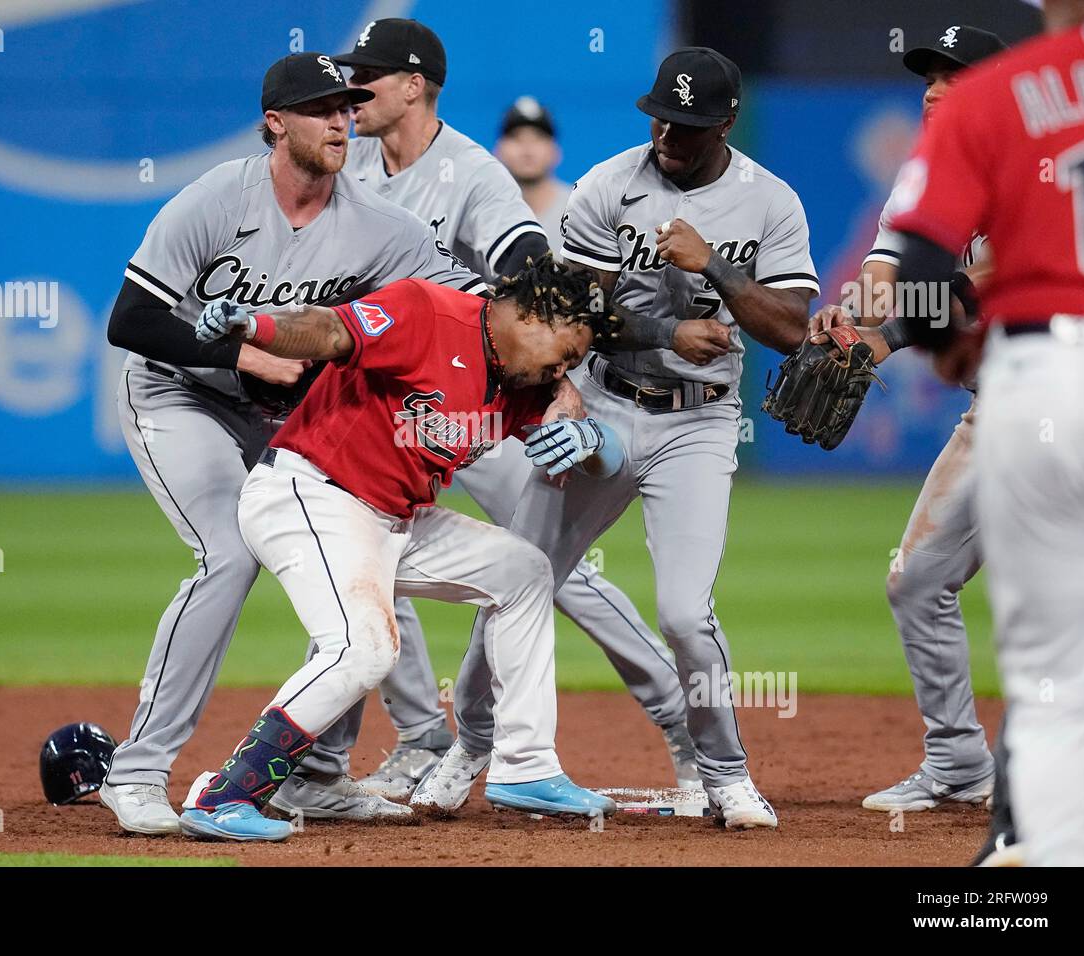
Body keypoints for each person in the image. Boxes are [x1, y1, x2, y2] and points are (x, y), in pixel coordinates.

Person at [287, 18, 695, 808]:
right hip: (384, 408)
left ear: (414, 85)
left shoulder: (469, 174)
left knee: (549, 571)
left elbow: (536, 277)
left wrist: (558, 387)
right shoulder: (348, 163)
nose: (349, 94)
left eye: (365, 78)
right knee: (357, 570)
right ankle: (375, 752)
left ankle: (679, 723)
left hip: (478, 405)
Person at [415, 47, 819, 830]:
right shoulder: (608, 185)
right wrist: (669, 325)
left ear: (726, 123)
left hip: (699, 422)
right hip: (600, 409)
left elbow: (795, 329)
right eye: (663, 114)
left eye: (691, 123)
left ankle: (725, 773)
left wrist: (720, 273)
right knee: (518, 575)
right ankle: (471, 747)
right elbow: (579, 315)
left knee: (683, 614)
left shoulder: (770, 202)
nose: (670, 131)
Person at [97, 51, 485, 835]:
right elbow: (131, 322)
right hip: (181, 395)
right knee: (230, 554)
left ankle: (312, 775)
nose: (341, 120)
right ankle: (135, 773)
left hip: (284, 416)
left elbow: (472, 302)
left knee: (360, 557)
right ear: (276, 121)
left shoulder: (377, 225)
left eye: (347, 107)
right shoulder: (217, 198)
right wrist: (247, 354)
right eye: (320, 108)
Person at [181, 257, 624, 842]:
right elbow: (330, 330)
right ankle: (224, 796)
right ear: (535, 315)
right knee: (365, 651)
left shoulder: (519, 378)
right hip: (311, 492)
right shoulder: (426, 310)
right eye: (567, 352)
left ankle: (525, 767)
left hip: (393, 520)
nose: (565, 368)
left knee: (523, 571)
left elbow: (608, 462)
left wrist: (592, 438)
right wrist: (257, 327)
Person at [893, 0, 1084, 867]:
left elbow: (921, 269)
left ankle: (1034, 858)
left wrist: (943, 342)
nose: (939, 88)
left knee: (1056, 662)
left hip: (1046, 374)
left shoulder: (1001, 98)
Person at [805, 24, 1007, 816]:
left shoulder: (1041, 162)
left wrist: (888, 336)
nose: (932, 89)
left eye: (953, 76)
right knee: (919, 579)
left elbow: (999, 269)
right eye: (928, 75)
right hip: (1003, 406)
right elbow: (887, 272)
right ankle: (959, 762)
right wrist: (848, 321)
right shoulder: (926, 175)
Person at [495, 96, 573, 256]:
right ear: (498, 151)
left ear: (555, 151)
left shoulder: (582, 209)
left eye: (538, 138)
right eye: (516, 138)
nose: (527, 149)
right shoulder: (481, 212)